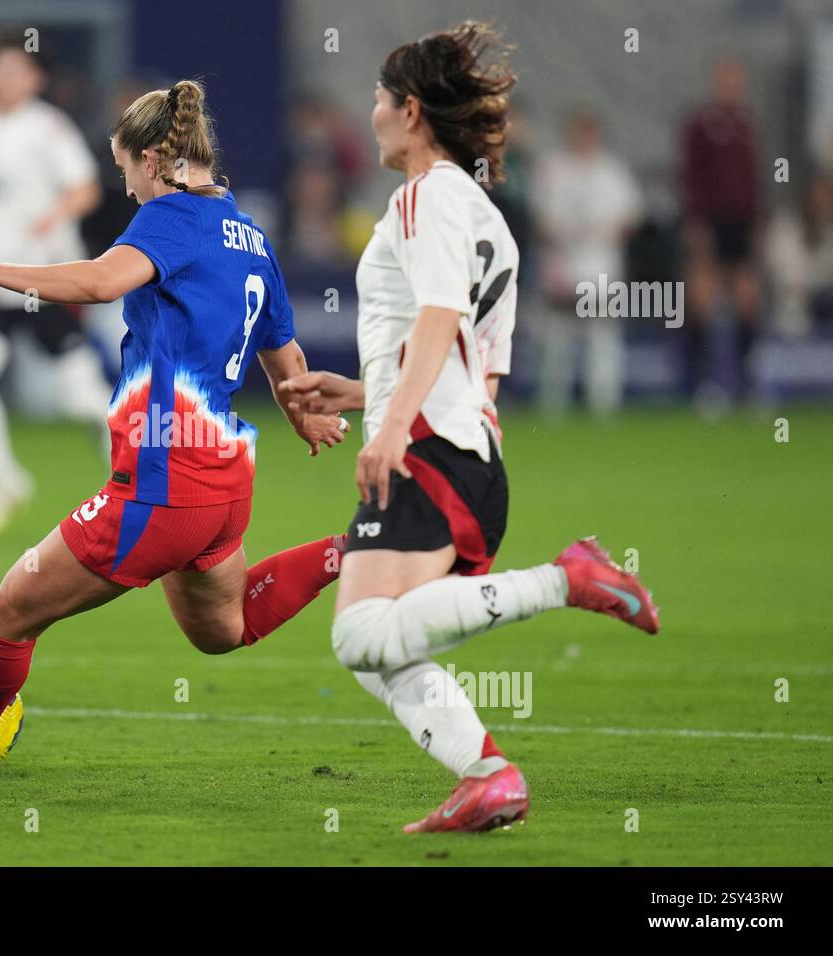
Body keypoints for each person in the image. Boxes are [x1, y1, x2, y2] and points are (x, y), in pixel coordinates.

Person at [0, 80, 349, 776]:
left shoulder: (172, 218)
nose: (125, 190)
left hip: (162, 485)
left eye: (124, 170)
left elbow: (98, 282)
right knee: (226, 628)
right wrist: (304, 412)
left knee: (11, 609)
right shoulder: (252, 237)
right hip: (225, 483)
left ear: (153, 160)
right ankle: (347, 549)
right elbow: (288, 357)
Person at [279, 22, 660, 833]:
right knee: (379, 646)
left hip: (428, 450)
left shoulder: (424, 195)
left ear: (411, 110)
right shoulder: (489, 219)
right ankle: (489, 775)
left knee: (359, 637)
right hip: (467, 450)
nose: (374, 114)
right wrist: (363, 395)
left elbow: (443, 313)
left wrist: (389, 432)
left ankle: (568, 580)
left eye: (380, 100)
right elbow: (476, 362)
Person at [0, 30, 111, 537]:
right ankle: (5, 479)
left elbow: (85, 190)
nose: (3, 79)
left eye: (15, 69)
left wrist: (49, 219)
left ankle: (127, 487)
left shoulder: (50, 128)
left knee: (82, 400)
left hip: (43, 280)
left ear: (36, 78)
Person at [531, 109, 642, 416]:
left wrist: (603, 234)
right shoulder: (553, 169)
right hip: (563, 268)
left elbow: (630, 219)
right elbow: (539, 218)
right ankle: (552, 406)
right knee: (557, 339)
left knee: (602, 337)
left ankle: (604, 404)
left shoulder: (612, 172)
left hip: (601, 268)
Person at [680, 57, 763, 405]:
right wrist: (696, 224)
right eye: (726, 79)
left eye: (737, 79)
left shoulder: (746, 124)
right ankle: (701, 382)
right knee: (702, 298)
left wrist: (759, 222)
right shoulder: (701, 123)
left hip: (741, 224)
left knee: (747, 300)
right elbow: (691, 175)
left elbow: (754, 179)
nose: (732, 85)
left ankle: (745, 381)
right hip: (709, 222)